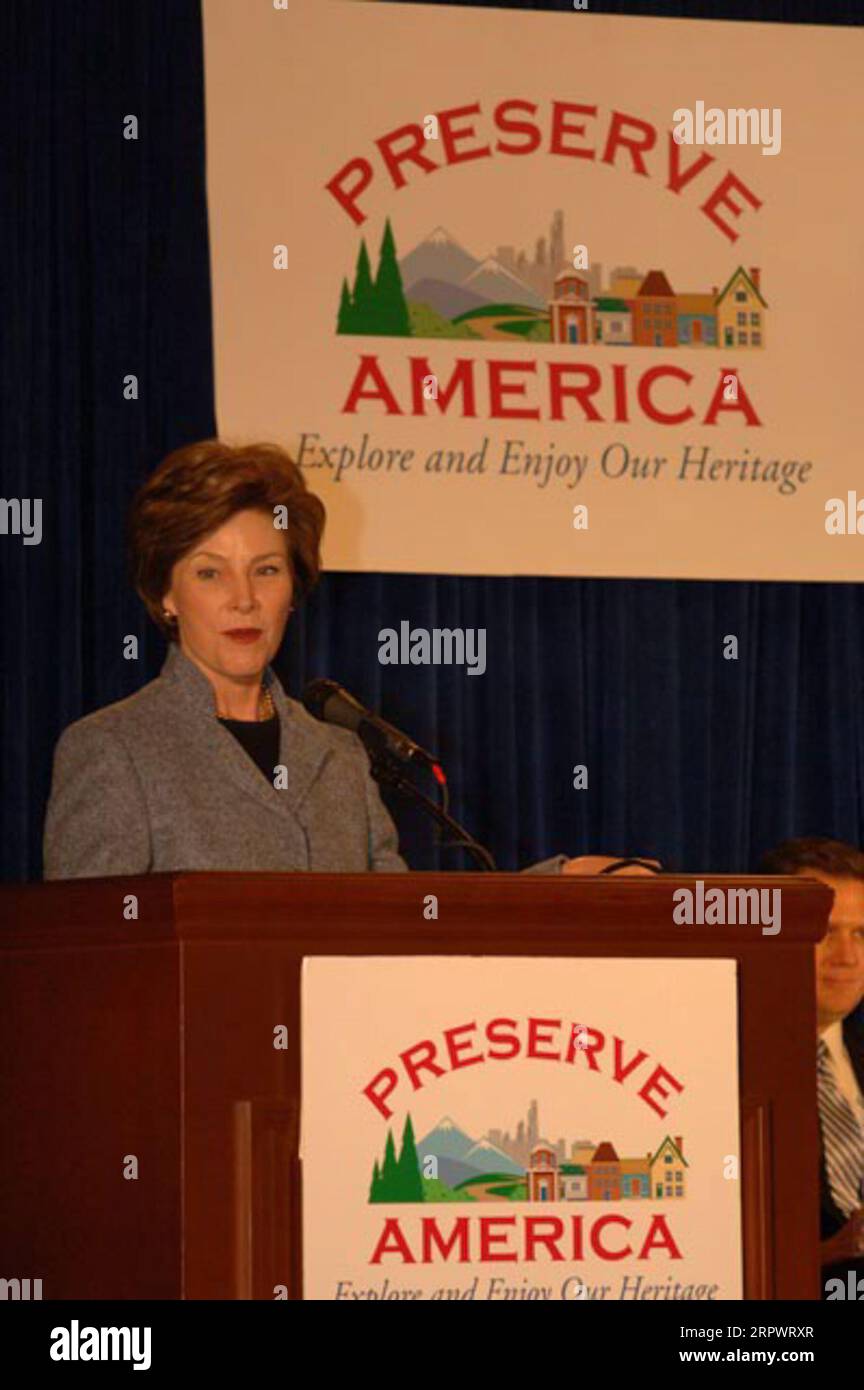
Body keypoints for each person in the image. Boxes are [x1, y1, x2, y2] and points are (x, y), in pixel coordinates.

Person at [43, 439, 572, 879]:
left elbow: (409, 936)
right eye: (210, 573)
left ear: (294, 589)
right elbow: (93, 961)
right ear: (166, 595)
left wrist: (560, 887)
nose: (244, 598)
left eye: (267, 570)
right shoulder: (114, 749)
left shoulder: (340, 756)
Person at [759, 837, 864, 1286]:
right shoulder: (726, 1064)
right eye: (824, 933)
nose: (847, 958)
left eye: (861, 933)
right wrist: (832, 1252)